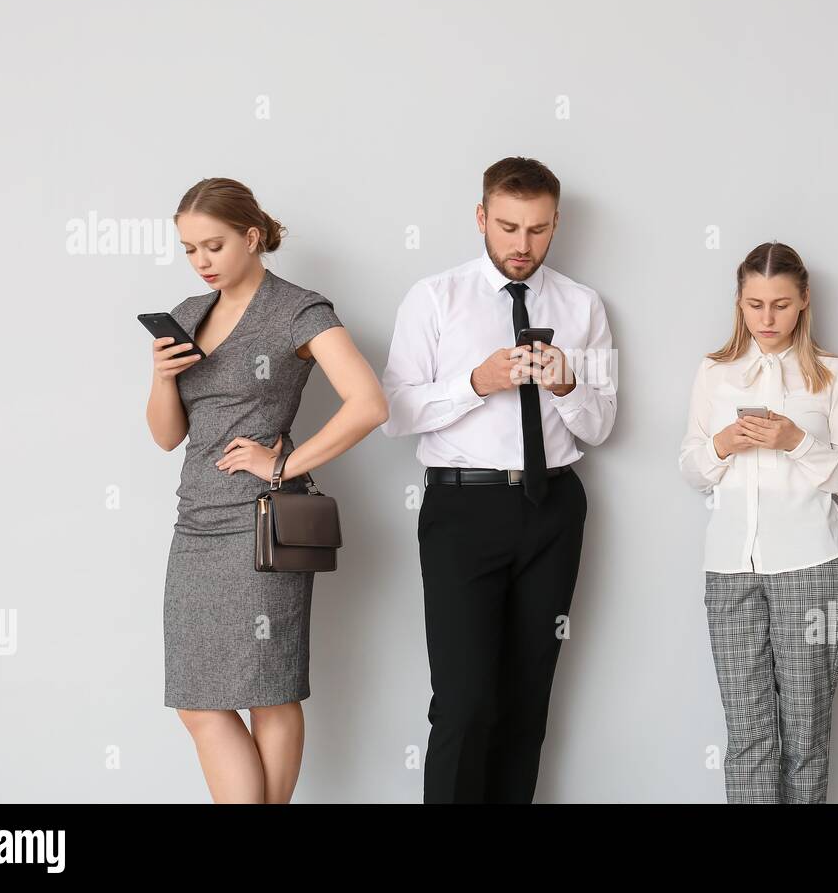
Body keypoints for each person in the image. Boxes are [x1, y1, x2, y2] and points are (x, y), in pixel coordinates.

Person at [380, 156, 617, 803]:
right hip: (463, 511)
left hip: (555, 508)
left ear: (556, 223)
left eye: (538, 229)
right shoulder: (435, 297)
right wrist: (474, 384)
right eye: (509, 227)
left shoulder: (583, 305)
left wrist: (567, 383)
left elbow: (600, 426)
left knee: (528, 698)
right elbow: (393, 414)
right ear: (482, 217)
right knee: (464, 701)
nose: (522, 245)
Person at [146, 177, 388, 803]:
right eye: (189, 249)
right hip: (195, 523)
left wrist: (282, 464)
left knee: (268, 691)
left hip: (259, 526)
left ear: (252, 237)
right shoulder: (186, 317)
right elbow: (167, 437)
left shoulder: (297, 310)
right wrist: (161, 377)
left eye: (214, 245)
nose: (200, 262)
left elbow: (369, 404)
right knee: (198, 702)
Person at [678, 242, 838, 803]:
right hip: (730, 569)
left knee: (806, 731)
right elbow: (692, 470)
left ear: (803, 302)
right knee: (748, 732)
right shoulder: (714, 374)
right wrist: (720, 444)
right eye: (754, 304)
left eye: (780, 305)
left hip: (810, 566)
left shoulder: (832, 375)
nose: (766, 319)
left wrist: (797, 442)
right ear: (738, 303)